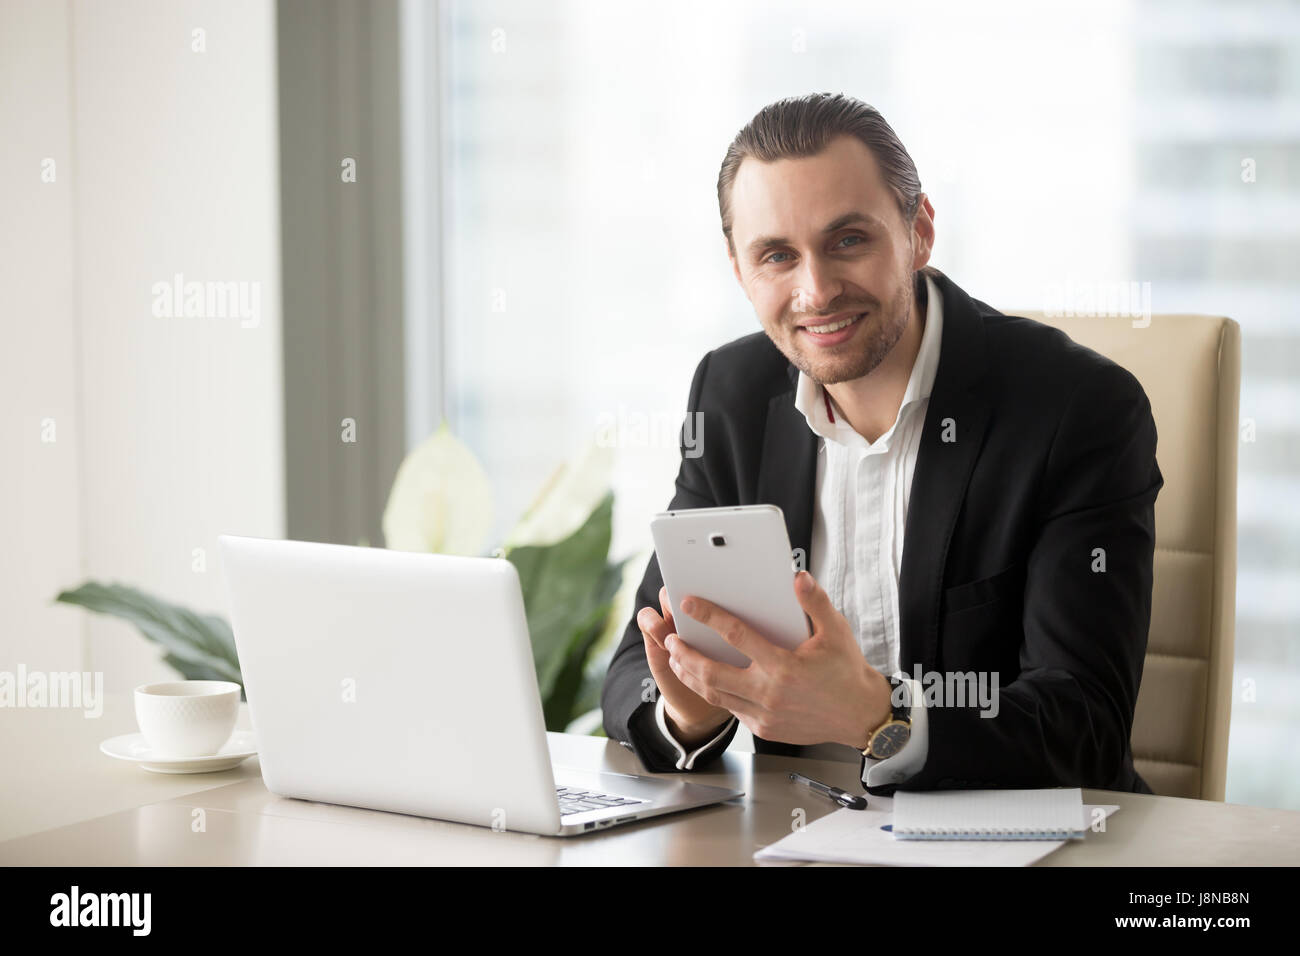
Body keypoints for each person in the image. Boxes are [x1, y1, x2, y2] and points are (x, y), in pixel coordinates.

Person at [600, 92, 1161, 795]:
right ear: (739, 268)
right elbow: (632, 670)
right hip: (792, 834)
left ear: (919, 230)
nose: (816, 291)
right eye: (777, 255)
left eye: (848, 241)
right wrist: (688, 713)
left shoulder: (1076, 410)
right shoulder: (731, 394)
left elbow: (1087, 727)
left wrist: (880, 718)